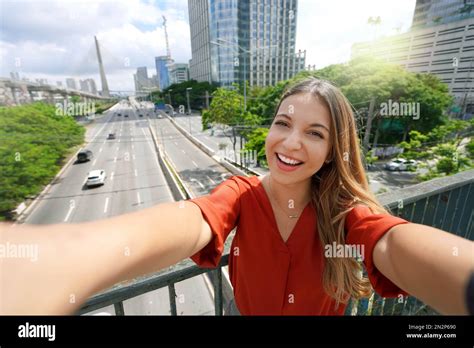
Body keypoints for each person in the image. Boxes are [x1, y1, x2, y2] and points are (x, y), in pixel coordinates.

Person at [1, 78, 472, 315]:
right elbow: (192, 221)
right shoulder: (241, 195)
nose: (290, 143)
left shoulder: (348, 216)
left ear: (332, 152)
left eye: (314, 133)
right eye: (283, 124)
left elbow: (393, 245)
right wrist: (62, 257)